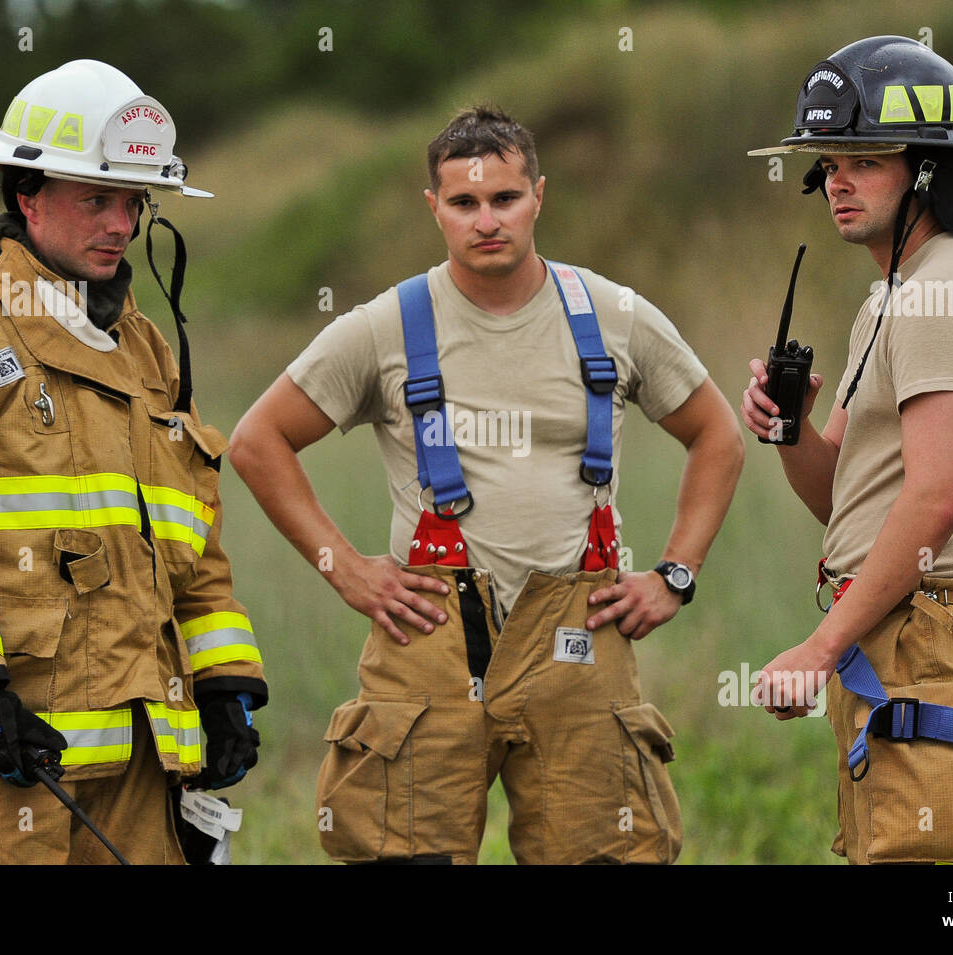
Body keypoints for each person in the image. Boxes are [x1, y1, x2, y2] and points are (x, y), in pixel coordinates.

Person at [230, 105, 743, 864]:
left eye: (504, 199)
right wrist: (351, 571)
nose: (486, 220)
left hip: (581, 635)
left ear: (539, 195)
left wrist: (675, 574)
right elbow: (256, 441)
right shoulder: (386, 325)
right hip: (429, 636)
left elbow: (719, 435)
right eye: (464, 203)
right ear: (434, 208)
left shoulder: (611, 314)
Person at [0, 59, 267, 865]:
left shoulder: (146, 349)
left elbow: (192, 539)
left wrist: (224, 680)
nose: (120, 224)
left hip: (142, 776)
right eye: (95, 199)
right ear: (25, 194)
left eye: (133, 202)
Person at [743, 36, 953, 863]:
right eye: (828, 162)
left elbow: (936, 498)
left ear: (925, 172)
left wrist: (818, 646)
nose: (836, 180)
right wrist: (791, 427)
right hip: (902, 637)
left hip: (939, 642)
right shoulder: (894, 296)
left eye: (864, 159)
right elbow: (843, 497)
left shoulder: (940, 293)